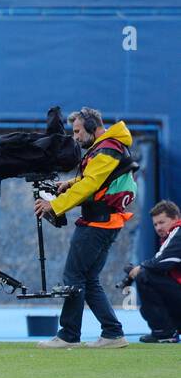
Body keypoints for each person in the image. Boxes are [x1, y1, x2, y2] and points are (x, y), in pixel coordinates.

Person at [35, 107, 135, 349]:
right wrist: (68, 183)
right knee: (88, 279)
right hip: (105, 221)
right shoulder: (108, 147)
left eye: (78, 131)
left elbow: (90, 185)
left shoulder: (108, 148)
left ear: (92, 127)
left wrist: (54, 205)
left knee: (73, 277)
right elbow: (94, 179)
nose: (76, 137)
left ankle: (69, 335)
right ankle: (112, 333)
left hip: (97, 223)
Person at [121, 201, 181, 342]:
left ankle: (164, 332)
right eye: (155, 224)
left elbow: (161, 263)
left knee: (145, 276)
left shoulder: (178, 232)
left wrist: (139, 268)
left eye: (162, 222)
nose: (158, 228)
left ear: (175, 218)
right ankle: (170, 330)